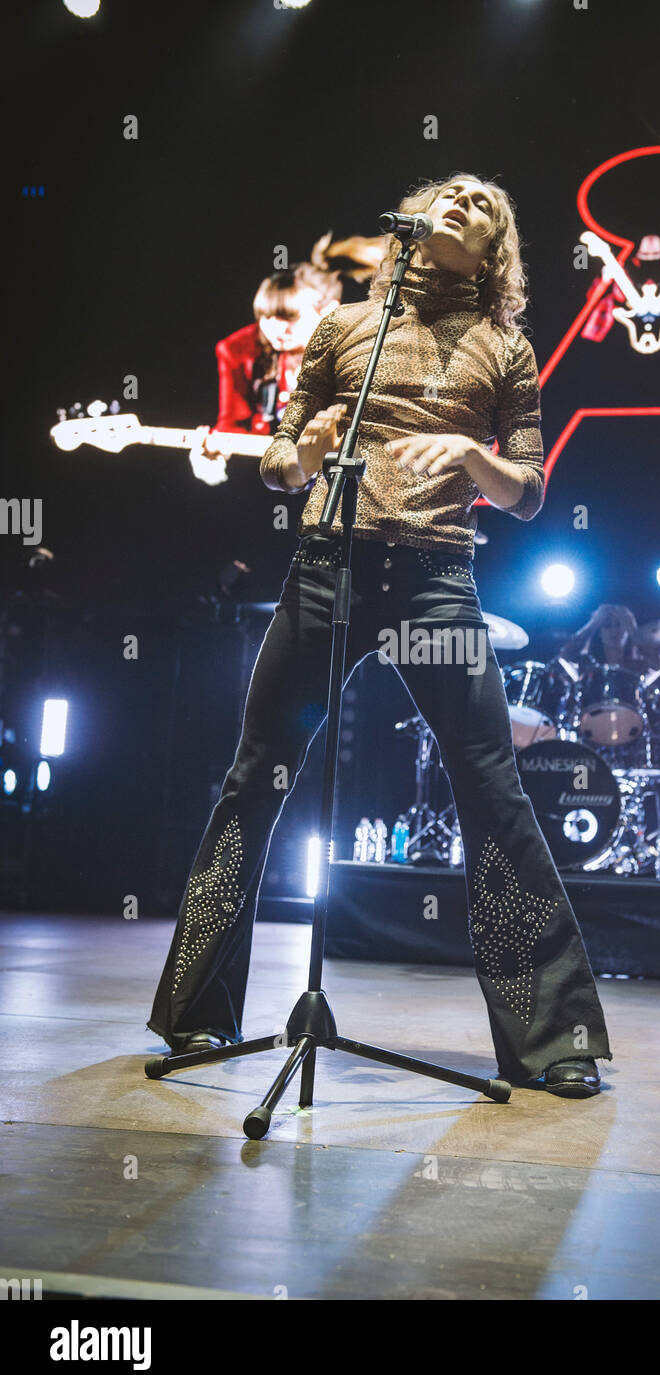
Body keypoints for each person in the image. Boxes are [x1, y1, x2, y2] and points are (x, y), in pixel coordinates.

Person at [147, 173, 611, 1099]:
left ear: (494, 252)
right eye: (456, 192)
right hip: (328, 570)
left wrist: (478, 460)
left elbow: (530, 488)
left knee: (491, 790)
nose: (467, 201)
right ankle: (197, 1017)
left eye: (486, 204)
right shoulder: (342, 325)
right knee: (253, 779)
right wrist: (301, 454)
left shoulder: (504, 348)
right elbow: (279, 460)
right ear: (415, 221)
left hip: (436, 581)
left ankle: (554, 1039)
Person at [188, 234, 387, 485]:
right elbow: (232, 424)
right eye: (265, 316)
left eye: (288, 317)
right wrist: (212, 461)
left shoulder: (361, 350)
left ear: (329, 311)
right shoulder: (242, 350)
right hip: (274, 481)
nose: (273, 328)